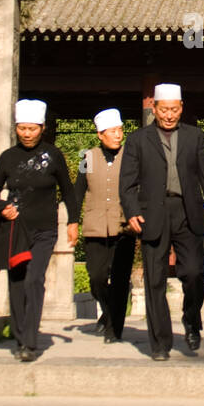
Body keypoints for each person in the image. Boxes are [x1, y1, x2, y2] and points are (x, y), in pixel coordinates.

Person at [119, 83, 204, 360]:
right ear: (154, 108)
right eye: (164, 110)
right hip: (151, 213)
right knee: (154, 279)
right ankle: (160, 342)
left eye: (174, 110)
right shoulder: (138, 140)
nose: (169, 115)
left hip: (187, 211)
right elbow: (127, 182)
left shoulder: (194, 137)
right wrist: (130, 211)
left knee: (193, 272)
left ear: (181, 108)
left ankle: (191, 320)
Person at [0, 99, 78, 362]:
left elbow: (68, 191)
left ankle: (30, 341)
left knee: (34, 280)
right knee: (17, 283)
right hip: (15, 231)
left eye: (32, 128)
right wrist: (1, 208)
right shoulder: (7, 158)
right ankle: (20, 337)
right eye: (22, 128)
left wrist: (74, 222)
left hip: (45, 230)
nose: (27, 133)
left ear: (42, 127)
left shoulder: (53, 155)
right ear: (16, 128)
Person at [68, 108, 135, 344]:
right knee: (95, 277)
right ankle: (108, 312)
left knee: (118, 279)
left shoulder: (131, 157)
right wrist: (72, 221)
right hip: (95, 225)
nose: (118, 135)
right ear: (100, 134)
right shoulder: (86, 157)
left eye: (120, 130)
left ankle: (112, 328)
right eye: (113, 131)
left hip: (123, 225)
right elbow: (77, 192)